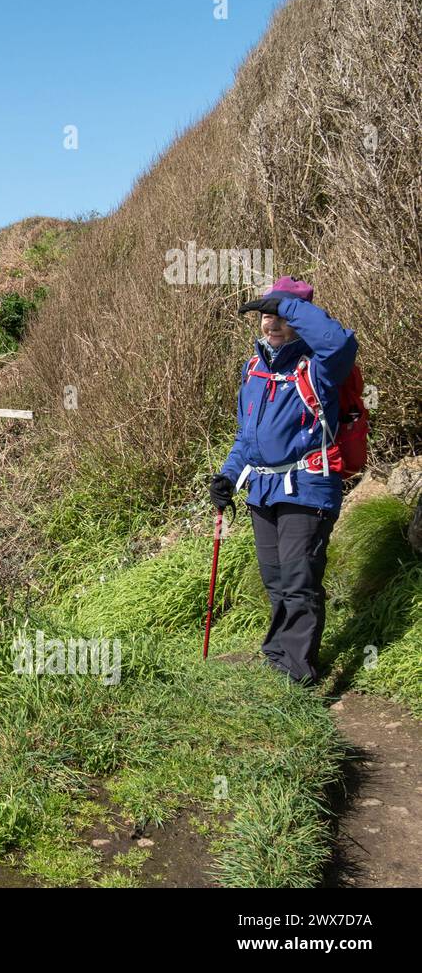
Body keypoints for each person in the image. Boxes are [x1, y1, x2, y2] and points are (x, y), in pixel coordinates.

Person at [210, 276, 358, 684]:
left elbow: (342, 342)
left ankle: (297, 674)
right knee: (276, 580)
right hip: (262, 490)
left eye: (281, 316)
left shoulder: (320, 365)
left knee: (298, 580)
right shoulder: (254, 368)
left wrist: (285, 304)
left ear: (300, 318)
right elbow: (247, 437)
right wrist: (228, 476)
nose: (270, 324)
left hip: (308, 488)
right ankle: (278, 656)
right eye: (265, 316)